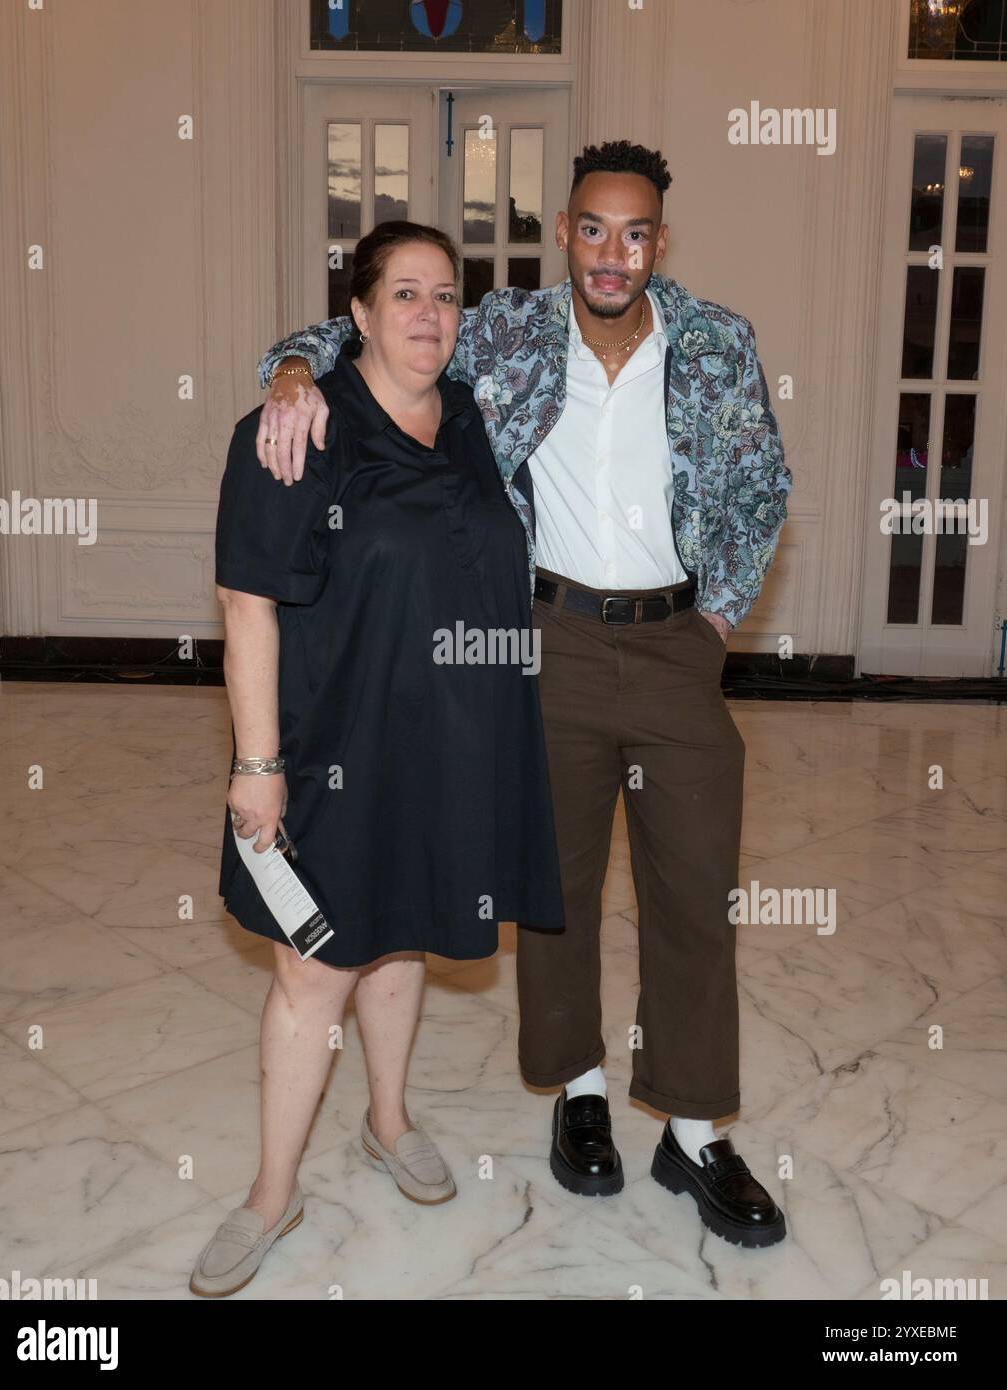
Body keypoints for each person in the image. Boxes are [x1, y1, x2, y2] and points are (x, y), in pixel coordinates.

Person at [253, 141, 793, 1248]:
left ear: (659, 239)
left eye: (633, 231)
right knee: (551, 884)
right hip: (543, 635)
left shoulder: (715, 343)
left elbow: (760, 483)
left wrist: (719, 617)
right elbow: (358, 328)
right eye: (591, 228)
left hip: (672, 636)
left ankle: (693, 1128)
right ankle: (578, 1089)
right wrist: (291, 375)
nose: (611, 252)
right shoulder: (504, 329)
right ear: (562, 231)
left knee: (692, 889)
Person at [192, 221, 565, 1297]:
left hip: (444, 742)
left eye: (443, 296)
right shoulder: (295, 426)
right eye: (401, 295)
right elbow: (244, 600)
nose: (426, 316)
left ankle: (387, 1120)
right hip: (327, 744)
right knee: (314, 969)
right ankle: (271, 1192)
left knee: (402, 937)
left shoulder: (469, 418)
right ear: (352, 313)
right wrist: (258, 764)